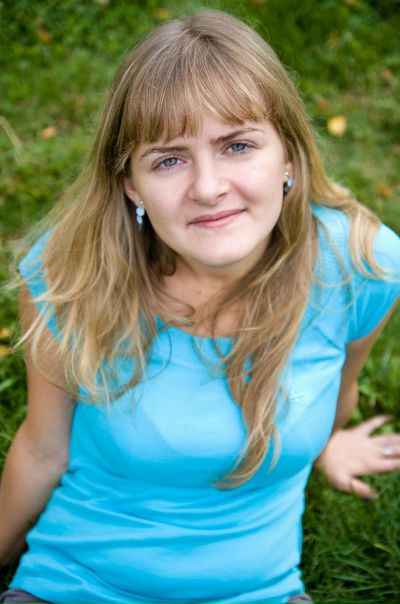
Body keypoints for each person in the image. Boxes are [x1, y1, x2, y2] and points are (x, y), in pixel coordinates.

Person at [0, 9, 399, 604]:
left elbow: (341, 382)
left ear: (289, 156)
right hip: (77, 582)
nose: (208, 187)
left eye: (237, 145)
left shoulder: (362, 265)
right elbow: (43, 447)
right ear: (131, 184)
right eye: (169, 159)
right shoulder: (69, 273)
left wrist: (326, 444)